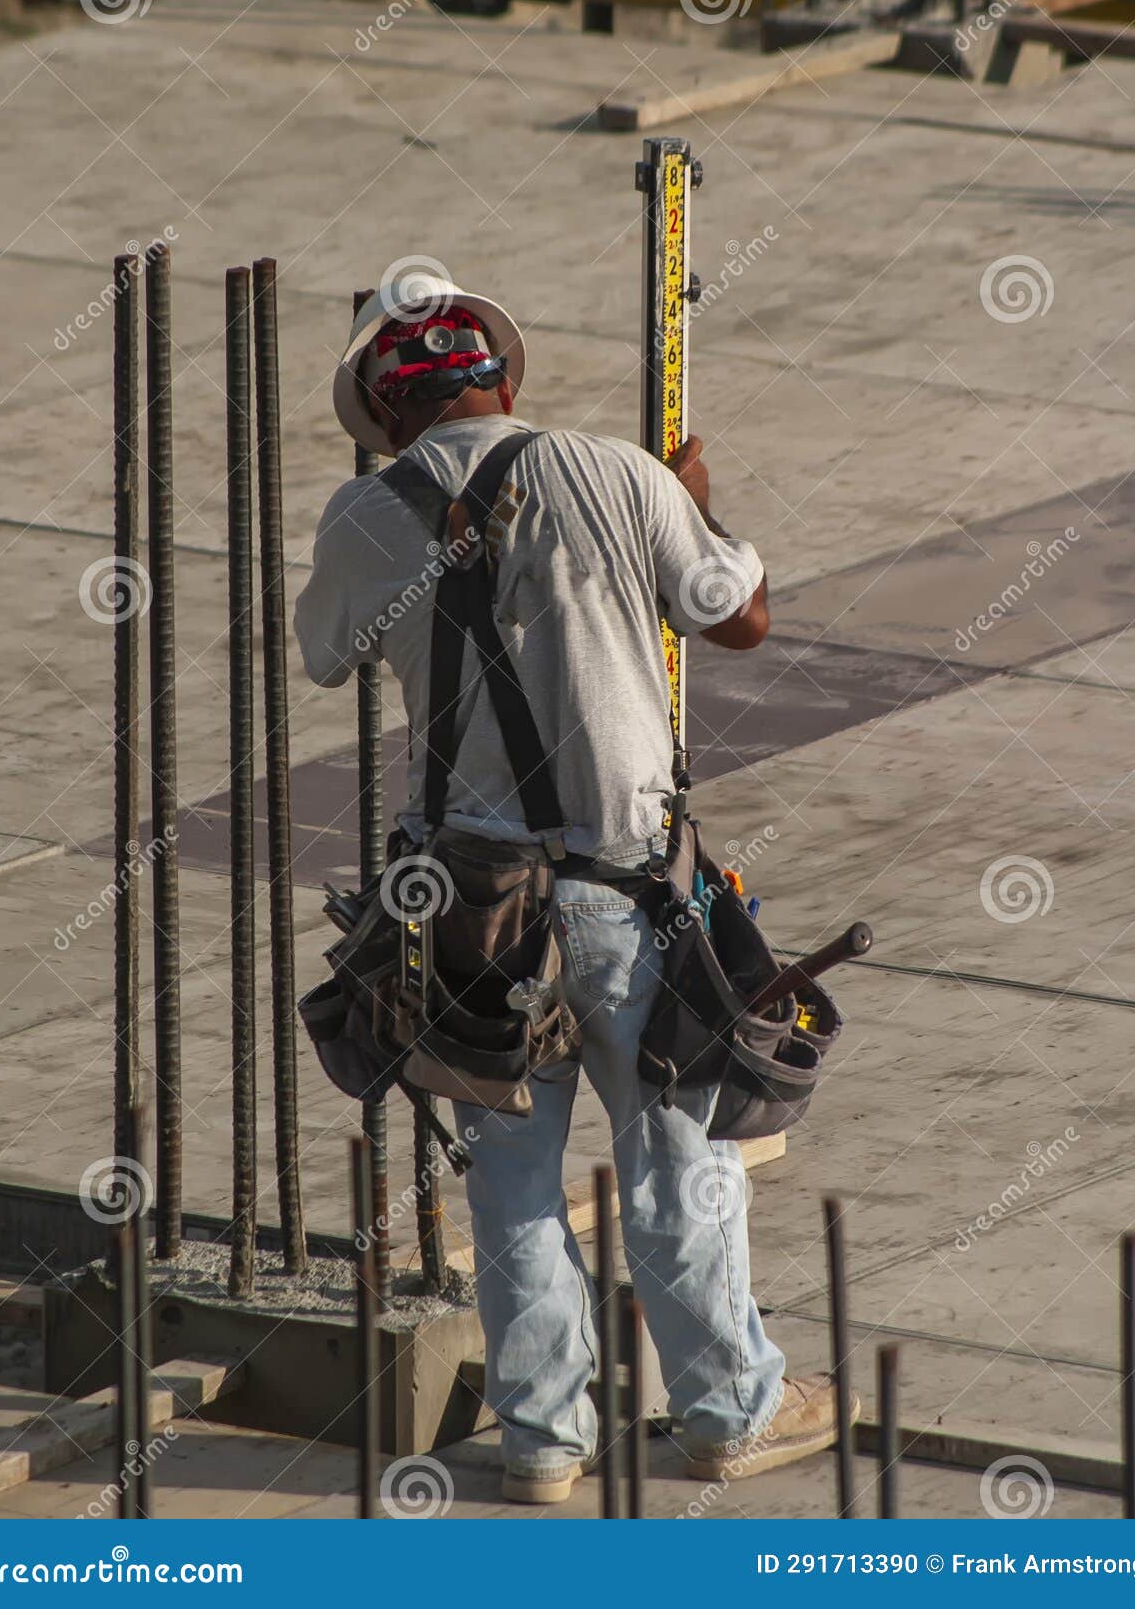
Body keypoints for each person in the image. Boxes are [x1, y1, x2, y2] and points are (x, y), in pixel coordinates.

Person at [295, 274, 854, 1504]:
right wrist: (692, 506)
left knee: (507, 1173)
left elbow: (326, 652)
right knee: (674, 1159)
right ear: (504, 374)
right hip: (625, 891)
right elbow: (740, 617)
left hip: (462, 909)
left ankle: (544, 1440)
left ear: (389, 419)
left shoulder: (362, 515)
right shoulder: (616, 472)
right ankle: (725, 1412)